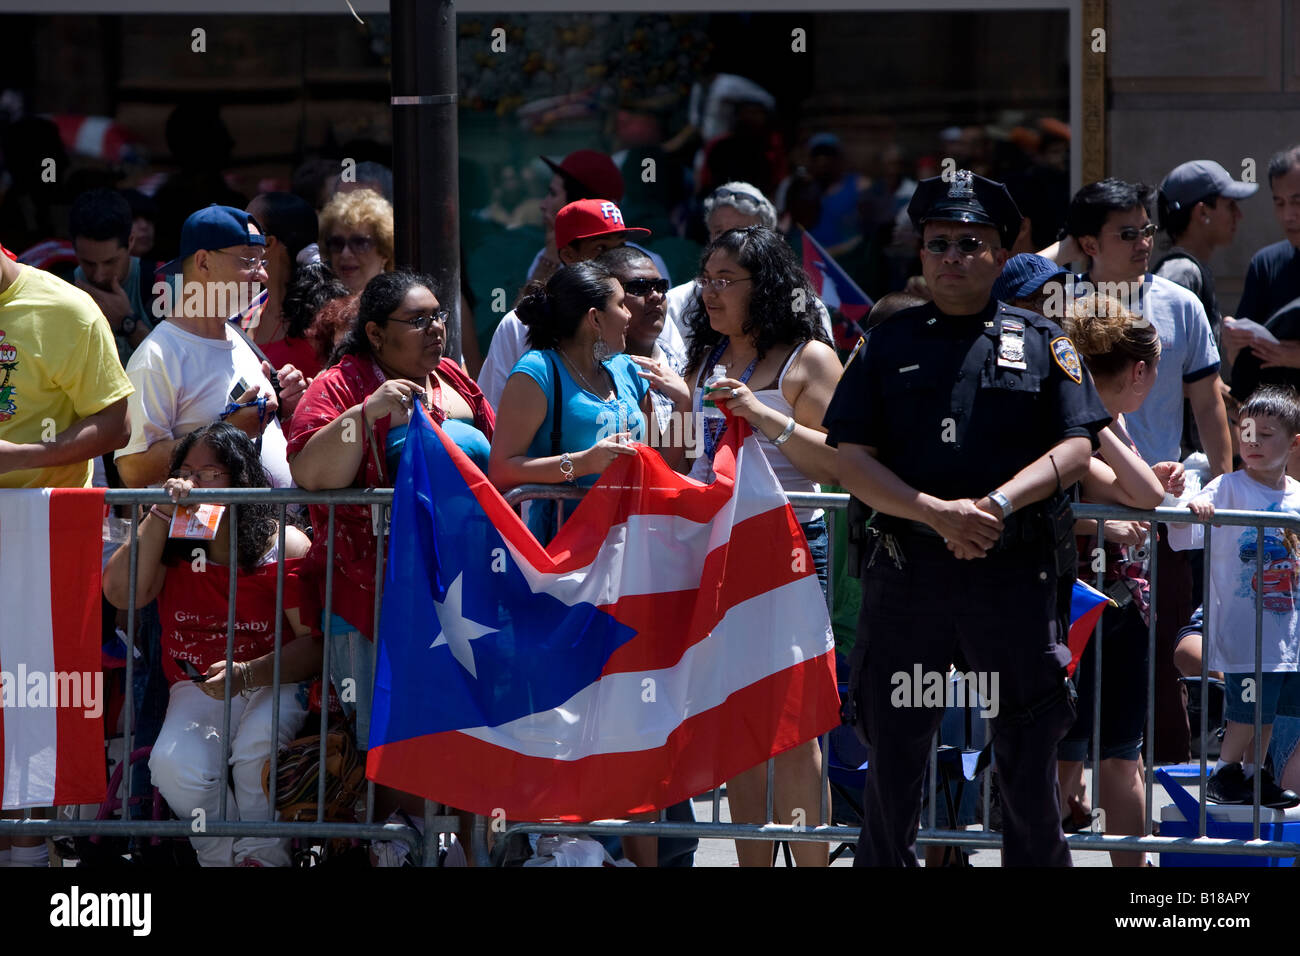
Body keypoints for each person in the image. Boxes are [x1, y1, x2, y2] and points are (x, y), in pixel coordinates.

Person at [825, 170, 1111, 867]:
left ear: (999, 251)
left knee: (1026, 763)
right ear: (921, 254)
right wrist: (934, 512)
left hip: (1010, 576)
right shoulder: (887, 341)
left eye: (970, 243)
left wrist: (996, 505)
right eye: (938, 243)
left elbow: (1078, 445)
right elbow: (849, 458)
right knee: (893, 763)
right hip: (908, 579)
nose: (952, 256)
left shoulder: (1044, 340)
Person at [680, 225, 841, 866]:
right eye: (707, 279)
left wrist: (762, 412)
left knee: (794, 728)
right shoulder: (705, 357)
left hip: (794, 552)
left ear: (765, 285)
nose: (711, 293)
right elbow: (694, 456)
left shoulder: (811, 359)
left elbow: (836, 461)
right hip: (719, 552)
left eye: (727, 281)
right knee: (738, 724)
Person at [1062, 177, 1232, 764]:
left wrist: (1223, 491)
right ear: (1088, 241)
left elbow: (1210, 406)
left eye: (1148, 230)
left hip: (1165, 515)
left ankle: (1166, 790)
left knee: (1163, 661)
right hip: (1081, 514)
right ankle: (1066, 802)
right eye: (1126, 233)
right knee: (1068, 672)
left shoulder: (1179, 304)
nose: (1142, 243)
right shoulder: (1060, 311)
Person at [288, 271, 494, 747]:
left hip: (463, 588)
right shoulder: (342, 386)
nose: (436, 328)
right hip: (376, 594)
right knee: (390, 740)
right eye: (417, 319)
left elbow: (497, 459)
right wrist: (365, 414)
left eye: (438, 316)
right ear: (376, 333)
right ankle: (395, 825)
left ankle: (457, 827)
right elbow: (310, 473)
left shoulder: (453, 378)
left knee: (461, 738)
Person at [102, 423, 321, 866]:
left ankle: (264, 858)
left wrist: (247, 674)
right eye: (185, 471)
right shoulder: (173, 537)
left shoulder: (284, 543)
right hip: (197, 686)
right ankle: (223, 859)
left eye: (208, 473)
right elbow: (119, 594)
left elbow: (314, 648)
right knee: (172, 765)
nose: (191, 483)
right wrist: (161, 514)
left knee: (254, 749)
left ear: (240, 480)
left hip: (273, 681)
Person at [0, 238, 134, 867]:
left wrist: (20, 459)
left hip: (43, 539)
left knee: (33, 706)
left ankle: (26, 855)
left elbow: (115, 424)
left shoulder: (67, 310)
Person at [1056, 292, 1182, 867]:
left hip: (1116, 608)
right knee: (1074, 755)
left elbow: (1135, 489)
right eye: (1155, 369)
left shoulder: (1105, 422)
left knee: (1113, 755)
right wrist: (1095, 415)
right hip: (1074, 606)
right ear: (1139, 370)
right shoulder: (1077, 425)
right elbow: (1140, 496)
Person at [489, 261, 689, 539]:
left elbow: (661, 467)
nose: (629, 315)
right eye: (621, 305)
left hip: (632, 545)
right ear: (595, 319)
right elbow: (501, 470)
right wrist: (584, 463)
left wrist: (683, 405)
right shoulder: (537, 371)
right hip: (563, 551)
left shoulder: (629, 369)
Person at [1170, 386, 1300, 808]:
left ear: (1293, 442)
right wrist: (1194, 505)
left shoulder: (1297, 494)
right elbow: (1181, 526)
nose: (1252, 443)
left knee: (1270, 709)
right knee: (1247, 707)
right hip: (1244, 633)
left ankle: (1252, 772)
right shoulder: (1226, 487)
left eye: (1266, 434)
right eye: (1246, 433)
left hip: (1287, 633)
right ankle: (1224, 772)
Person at [114, 205, 307, 490]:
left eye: (262, 262)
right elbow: (132, 469)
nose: (263, 275)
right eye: (248, 261)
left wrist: (288, 405)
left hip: (268, 526)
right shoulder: (158, 355)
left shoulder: (239, 337)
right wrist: (228, 431)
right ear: (203, 263)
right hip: (211, 534)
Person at [477, 199, 668, 408]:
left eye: (620, 245)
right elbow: (492, 413)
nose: (615, 257)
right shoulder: (521, 324)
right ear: (569, 255)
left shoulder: (646, 310)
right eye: (601, 248)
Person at [664, 182, 833, 346]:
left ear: (768, 241)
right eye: (719, 231)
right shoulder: (677, 303)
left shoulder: (803, 306)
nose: (727, 242)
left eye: (742, 233)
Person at [527, 149, 670, 289]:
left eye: (553, 193)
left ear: (576, 202)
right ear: (568, 256)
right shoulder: (546, 257)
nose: (543, 205)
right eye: (601, 248)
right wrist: (547, 264)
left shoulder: (648, 266)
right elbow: (521, 312)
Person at [1225, 146, 1300, 398]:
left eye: (1297, 201)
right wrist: (1234, 342)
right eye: (1279, 203)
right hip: (1278, 424)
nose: (1288, 215)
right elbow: (1240, 361)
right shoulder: (1265, 263)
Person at [1155, 159, 1257, 342]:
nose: (1239, 215)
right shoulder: (1181, 273)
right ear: (1202, 213)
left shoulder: (1193, 271)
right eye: (1230, 206)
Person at [238, 192, 323, 377]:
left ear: (267, 243)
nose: (236, 236)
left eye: (246, 228)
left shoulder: (326, 319)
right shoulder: (244, 314)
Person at [68, 188, 155, 365]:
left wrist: (128, 323)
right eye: (88, 263)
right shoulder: (61, 289)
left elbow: (183, 378)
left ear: (131, 241)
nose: (99, 276)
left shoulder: (165, 286)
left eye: (110, 262)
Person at [318, 188, 394, 295]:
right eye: (337, 243)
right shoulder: (316, 306)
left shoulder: (400, 307)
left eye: (360, 243)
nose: (345, 254)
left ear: (384, 252)